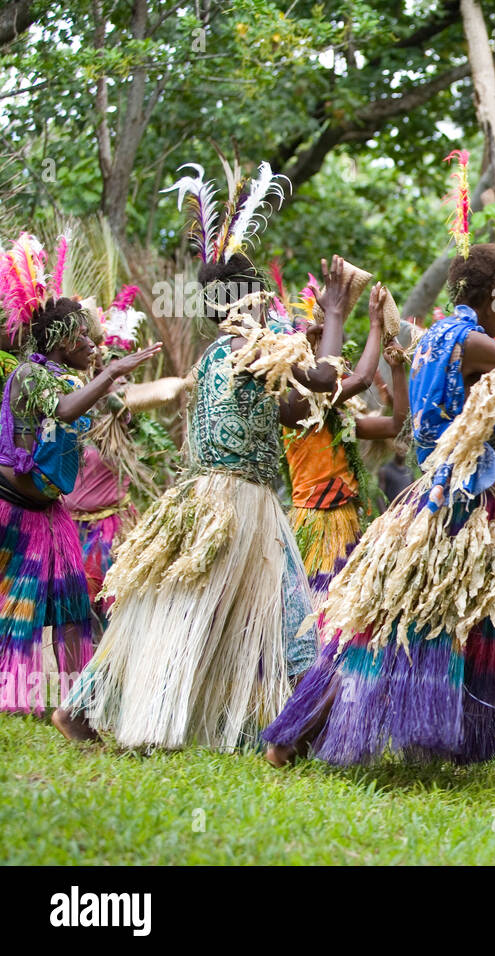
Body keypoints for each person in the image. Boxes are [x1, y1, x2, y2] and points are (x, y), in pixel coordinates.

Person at [262, 241, 495, 780]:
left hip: (446, 504)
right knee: (396, 625)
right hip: (459, 509)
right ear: (493, 296)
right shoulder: (474, 342)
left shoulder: (436, 338)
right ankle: (293, 737)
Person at [53, 161, 339, 750]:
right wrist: (334, 315)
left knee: (169, 603)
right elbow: (324, 378)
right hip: (239, 503)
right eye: (264, 299)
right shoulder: (254, 347)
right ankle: (297, 730)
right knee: (288, 614)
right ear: (252, 300)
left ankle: (88, 706)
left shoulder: (217, 357)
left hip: (204, 497)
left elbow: (283, 411)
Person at [0, 234, 162, 715]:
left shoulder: (69, 378)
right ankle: (14, 700)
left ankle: (76, 701)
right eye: (85, 338)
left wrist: (119, 396)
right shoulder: (31, 376)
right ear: (64, 341)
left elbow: (100, 408)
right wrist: (109, 376)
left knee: (73, 608)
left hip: (52, 511)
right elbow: (67, 411)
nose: (93, 345)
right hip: (14, 509)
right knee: (17, 608)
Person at [280, 282, 409, 606]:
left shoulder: (338, 420)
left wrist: (396, 371)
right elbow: (363, 378)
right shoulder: (302, 406)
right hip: (317, 527)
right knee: (319, 612)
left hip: (349, 522)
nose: (335, 356)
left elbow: (397, 424)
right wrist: (376, 326)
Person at [65, 286, 184, 622]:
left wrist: (183, 382)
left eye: (93, 345)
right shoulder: (60, 395)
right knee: (76, 618)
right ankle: (80, 675)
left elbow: (142, 398)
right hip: (69, 528)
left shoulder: (114, 394)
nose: (91, 352)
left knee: (114, 614)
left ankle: (109, 675)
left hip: (111, 527)